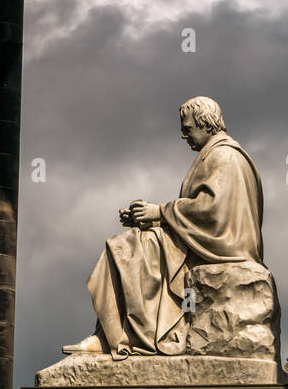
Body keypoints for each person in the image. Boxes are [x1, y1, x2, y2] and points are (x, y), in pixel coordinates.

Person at [61, 96, 265, 358]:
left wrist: (159, 212)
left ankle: (121, 336)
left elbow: (213, 210)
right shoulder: (215, 154)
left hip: (222, 245)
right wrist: (151, 218)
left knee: (126, 248)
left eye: (187, 129)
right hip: (208, 240)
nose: (183, 136)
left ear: (206, 124)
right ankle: (112, 333)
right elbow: (201, 211)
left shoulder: (224, 155)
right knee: (134, 242)